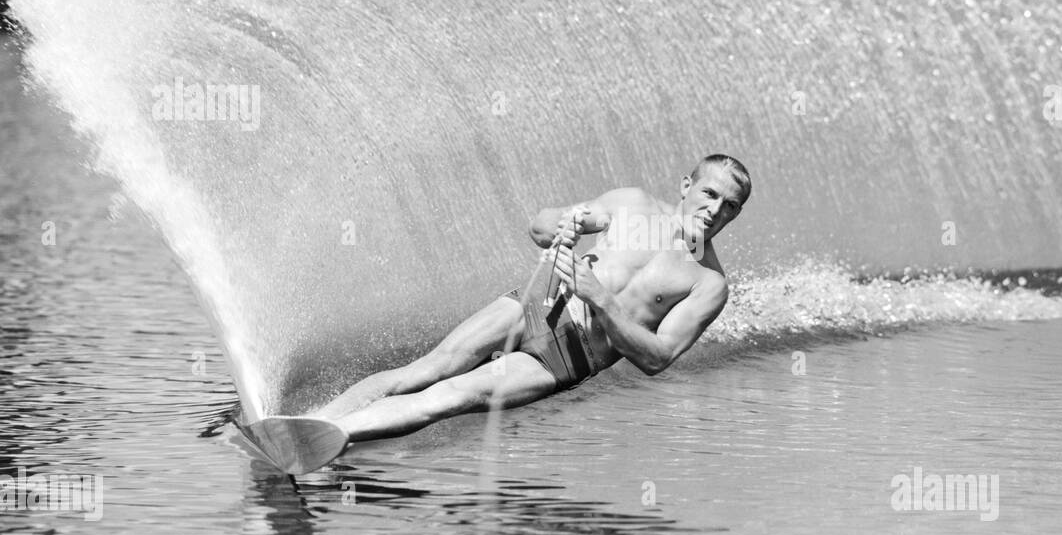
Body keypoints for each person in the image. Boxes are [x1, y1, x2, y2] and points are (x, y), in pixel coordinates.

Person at [312, 154, 751, 442]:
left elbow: (657, 358)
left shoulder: (707, 284)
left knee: (450, 395)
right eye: (709, 194)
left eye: (729, 206)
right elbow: (541, 228)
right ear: (686, 186)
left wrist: (600, 299)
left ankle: (337, 434)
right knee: (424, 370)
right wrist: (561, 223)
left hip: (567, 356)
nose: (714, 210)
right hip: (536, 303)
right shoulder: (631, 203)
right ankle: (313, 425)